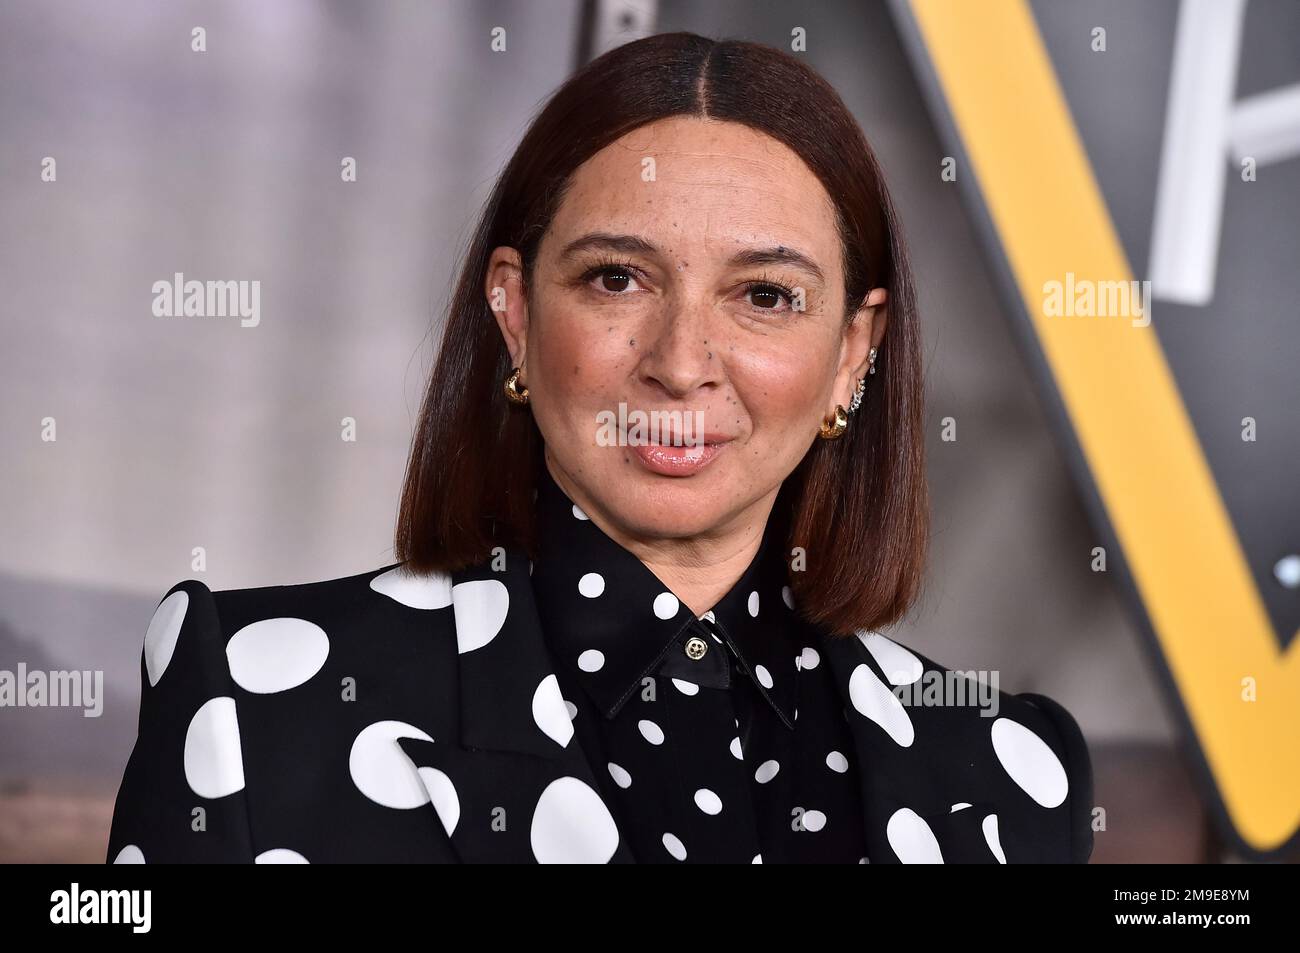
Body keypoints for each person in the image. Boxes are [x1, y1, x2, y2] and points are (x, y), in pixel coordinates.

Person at [106, 31, 1093, 864]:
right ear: (515, 314)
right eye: (618, 278)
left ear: (851, 356)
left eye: (764, 295)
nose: (679, 361)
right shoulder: (251, 700)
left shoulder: (1008, 767)